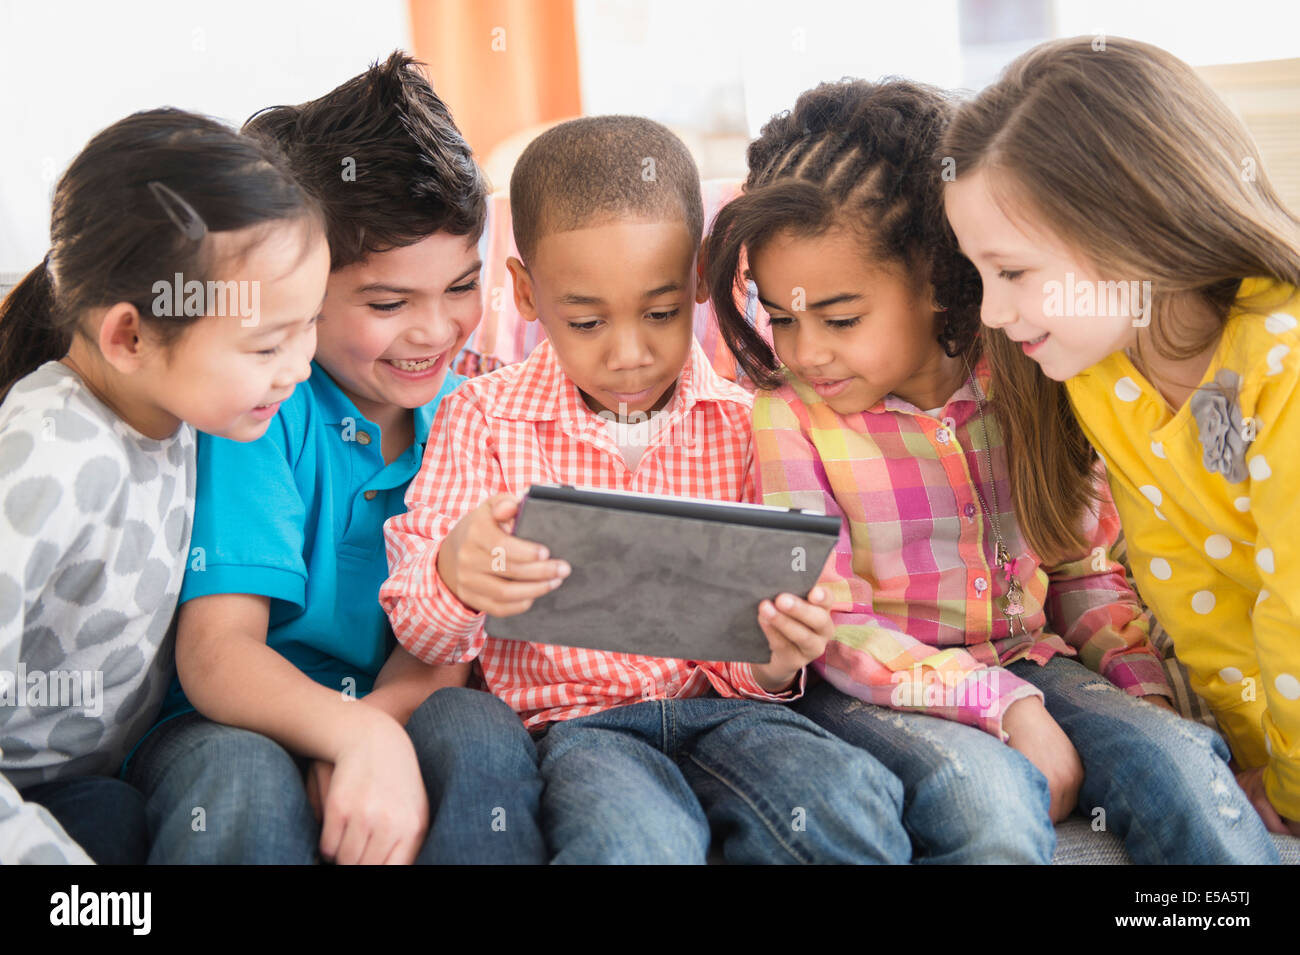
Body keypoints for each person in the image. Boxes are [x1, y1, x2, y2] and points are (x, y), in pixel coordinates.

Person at [707, 76, 1277, 862]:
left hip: (1036, 656)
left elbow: (1082, 567)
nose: (804, 351)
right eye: (781, 317)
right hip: (880, 686)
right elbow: (832, 624)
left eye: (840, 318)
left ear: (943, 277)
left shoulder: (1030, 373)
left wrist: (1140, 696)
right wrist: (1004, 707)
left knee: (1183, 768)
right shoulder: (789, 416)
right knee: (991, 805)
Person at [380, 114, 913, 864]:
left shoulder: (746, 421)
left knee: (848, 802)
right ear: (528, 293)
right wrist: (453, 572)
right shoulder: (483, 418)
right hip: (580, 728)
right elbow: (422, 631)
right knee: (634, 844)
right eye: (588, 320)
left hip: (728, 717)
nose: (629, 353)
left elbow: (758, 651)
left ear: (701, 276)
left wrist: (771, 657)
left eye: (661, 314)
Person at [124, 53, 485, 865]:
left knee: (477, 735)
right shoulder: (258, 410)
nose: (435, 331)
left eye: (462, 285)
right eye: (389, 303)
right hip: (229, 718)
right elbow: (217, 651)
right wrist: (349, 733)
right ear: (299, 290)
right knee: (244, 776)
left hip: (396, 700)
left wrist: (371, 736)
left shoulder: (476, 413)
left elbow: (447, 645)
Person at [943, 35, 1300, 842]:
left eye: (1015, 272)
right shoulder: (1105, 375)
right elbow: (1196, 590)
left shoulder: (1285, 364)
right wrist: (1261, 770)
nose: (993, 313)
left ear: (1134, 231)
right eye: (981, 275)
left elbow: (1296, 604)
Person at [0, 108, 327, 863]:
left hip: (89, 782)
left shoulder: (184, 409)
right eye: (267, 343)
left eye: (308, 324)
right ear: (130, 336)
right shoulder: (51, 455)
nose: (300, 367)